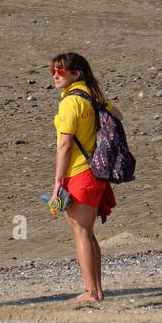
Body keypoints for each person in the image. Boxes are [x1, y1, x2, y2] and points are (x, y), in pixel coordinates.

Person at [50, 52, 123, 303]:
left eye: (61, 71)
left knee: (81, 232)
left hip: (79, 172)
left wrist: (57, 180)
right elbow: (119, 116)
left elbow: (65, 145)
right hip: (97, 172)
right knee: (88, 233)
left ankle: (90, 292)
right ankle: (97, 289)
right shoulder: (94, 96)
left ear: (76, 73)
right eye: (53, 71)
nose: (55, 76)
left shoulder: (70, 102)